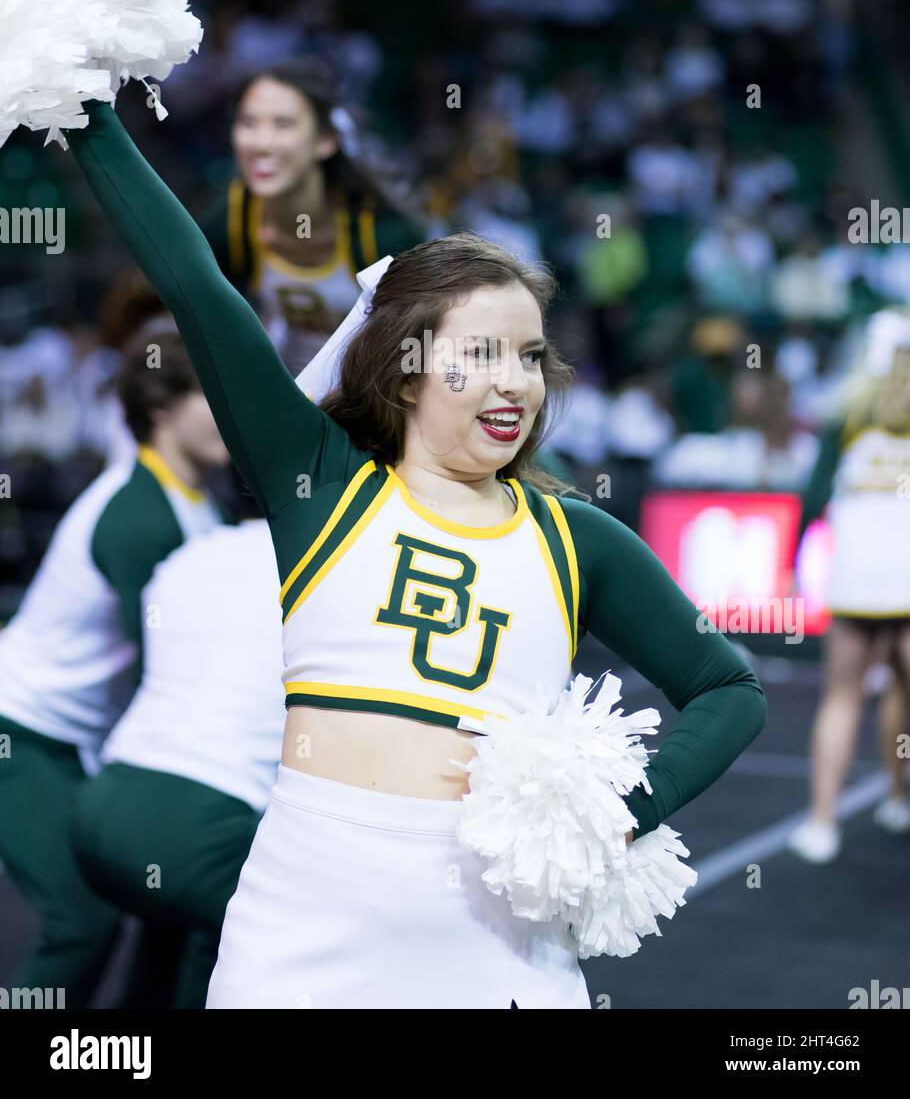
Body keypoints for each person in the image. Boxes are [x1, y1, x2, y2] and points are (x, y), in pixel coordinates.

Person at [66, 99, 767, 1009]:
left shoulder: (574, 537)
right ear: (405, 365)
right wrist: (85, 116)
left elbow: (731, 690)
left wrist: (619, 813)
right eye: (482, 353)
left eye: (530, 355)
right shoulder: (320, 483)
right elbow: (198, 288)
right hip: (301, 920)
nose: (516, 381)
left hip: (498, 938)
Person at [0, 320, 229, 1005]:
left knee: (166, 903)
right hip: (22, 732)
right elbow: (172, 673)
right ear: (161, 408)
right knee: (83, 921)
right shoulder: (137, 513)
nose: (230, 410)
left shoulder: (196, 511)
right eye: (209, 396)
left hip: (74, 743)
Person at [72, 477, 285, 1008]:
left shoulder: (187, 555)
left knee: (172, 931)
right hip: (199, 819)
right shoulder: (323, 565)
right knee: (270, 932)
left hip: (104, 803)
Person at [196, 57, 431, 371]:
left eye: (283, 124)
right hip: (281, 395)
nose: (261, 144)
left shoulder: (385, 235)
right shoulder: (228, 226)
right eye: (248, 123)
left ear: (326, 140)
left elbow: (422, 348)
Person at [788, 312, 910, 864]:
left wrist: (792, 562)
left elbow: (813, 497)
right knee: (901, 690)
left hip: (856, 576)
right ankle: (894, 795)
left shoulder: (847, 415)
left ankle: (822, 820)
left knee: (842, 696)